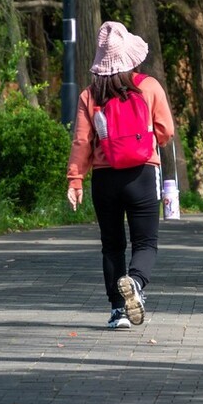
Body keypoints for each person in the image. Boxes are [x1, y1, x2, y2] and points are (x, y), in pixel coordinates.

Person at [66, 21, 175, 329]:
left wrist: (75, 179)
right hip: (142, 174)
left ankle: (117, 312)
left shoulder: (90, 95)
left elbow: (81, 140)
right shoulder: (149, 86)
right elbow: (166, 131)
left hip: (105, 178)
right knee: (145, 243)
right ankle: (136, 283)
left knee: (112, 245)